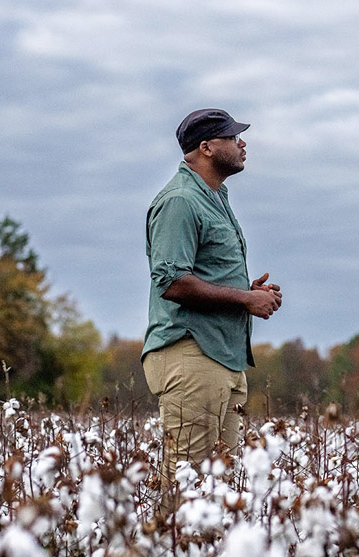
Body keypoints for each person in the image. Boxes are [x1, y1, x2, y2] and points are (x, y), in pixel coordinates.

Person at [141, 108, 282, 483]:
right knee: (188, 486)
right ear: (205, 147)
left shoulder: (215, 197)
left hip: (222, 357)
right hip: (192, 356)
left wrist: (248, 292)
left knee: (219, 487)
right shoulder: (181, 201)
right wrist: (244, 301)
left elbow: (200, 274)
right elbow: (172, 283)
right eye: (233, 138)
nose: (242, 144)